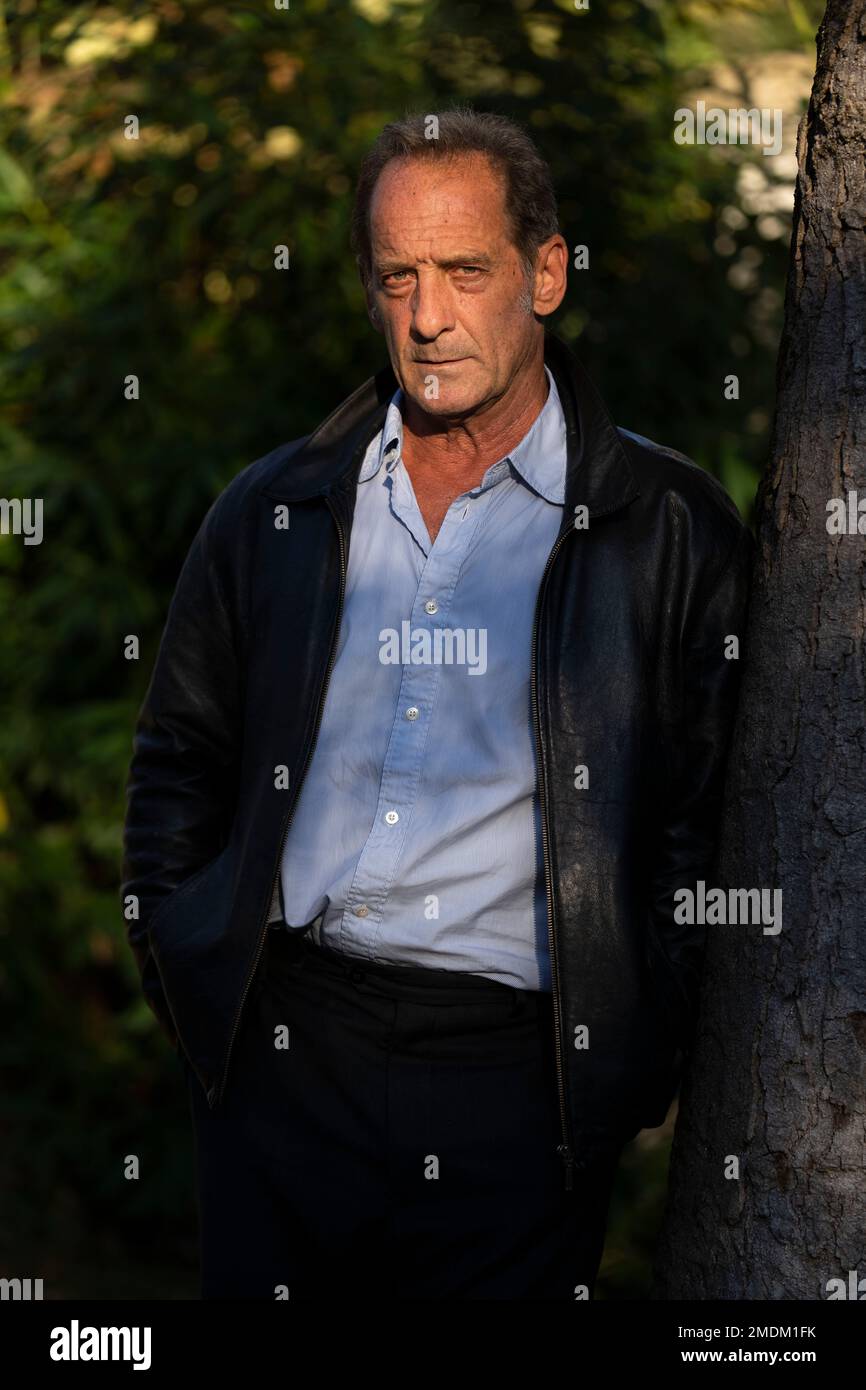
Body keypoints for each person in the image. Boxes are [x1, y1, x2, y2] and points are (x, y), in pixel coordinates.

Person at [121, 106, 754, 1300]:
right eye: (397, 276)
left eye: (465, 272)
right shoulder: (278, 509)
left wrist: (629, 1053)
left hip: (519, 1090)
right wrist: (190, 966)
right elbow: (177, 758)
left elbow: (703, 824)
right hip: (283, 1052)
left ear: (547, 273)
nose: (426, 317)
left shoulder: (665, 530)